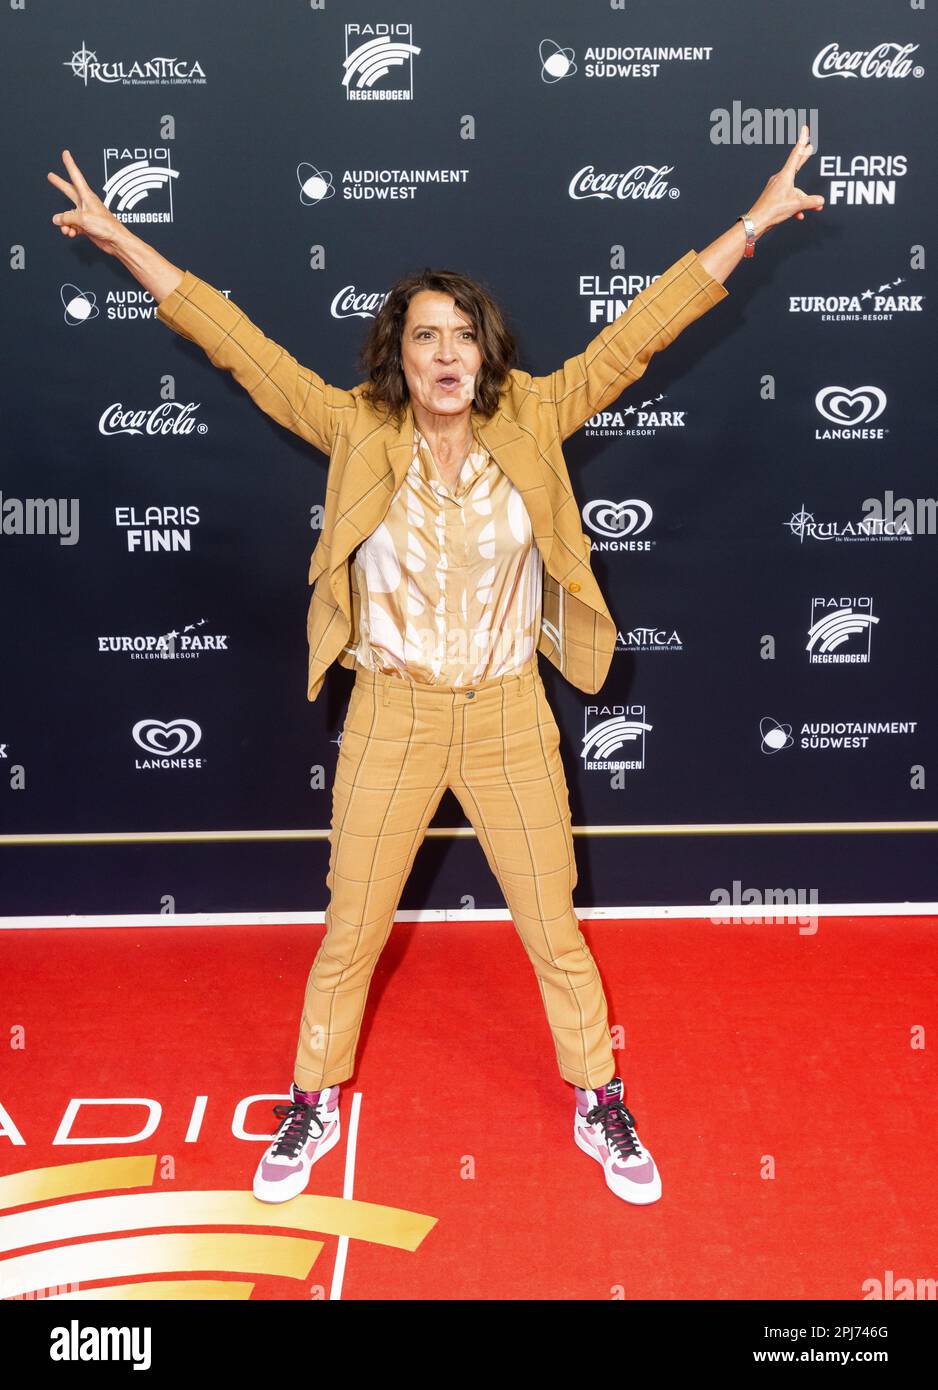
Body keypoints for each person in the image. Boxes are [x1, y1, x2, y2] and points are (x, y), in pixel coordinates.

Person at [48, 129, 823, 1209]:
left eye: (461, 335)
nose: (446, 355)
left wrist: (750, 221)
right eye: (425, 338)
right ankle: (311, 1097)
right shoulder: (355, 430)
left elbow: (642, 332)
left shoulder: (537, 415)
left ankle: (596, 1093)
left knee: (552, 925)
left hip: (507, 716)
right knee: (350, 927)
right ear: (397, 355)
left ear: (484, 350)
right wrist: (125, 239)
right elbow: (237, 343)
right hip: (391, 718)